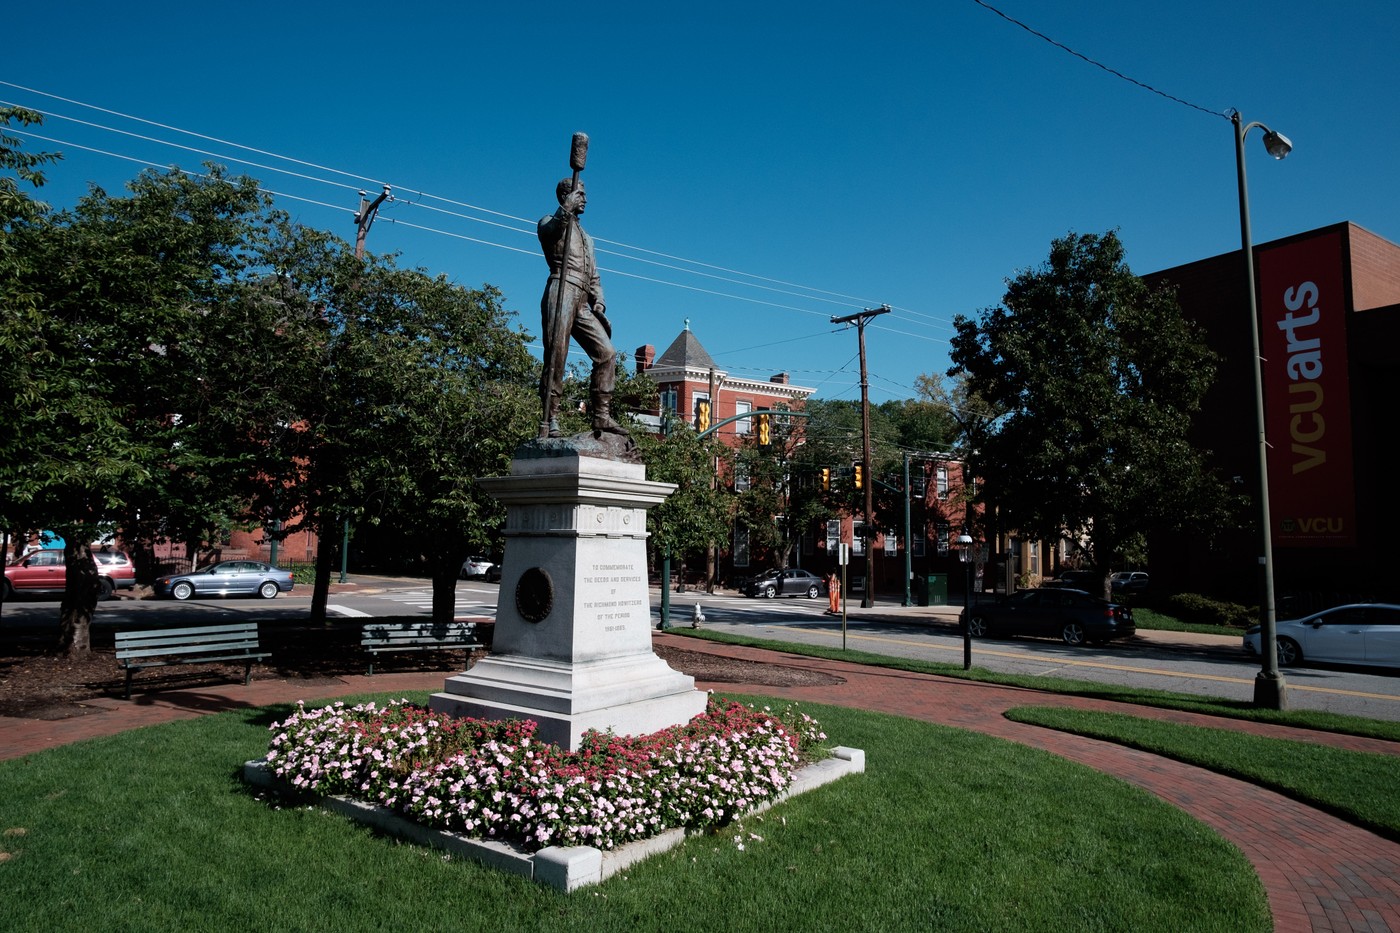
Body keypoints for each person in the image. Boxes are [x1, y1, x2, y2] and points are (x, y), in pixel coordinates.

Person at [537, 178, 624, 438]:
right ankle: (551, 418)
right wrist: (565, 209)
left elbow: (594, 275)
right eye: (580, 194)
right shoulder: (549, 222)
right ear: (567, 195)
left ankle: (601, 417)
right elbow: (549, 232)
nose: (585, 199)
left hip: (583, 299)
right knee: (556, 357)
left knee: (606, 353)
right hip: (561, 290)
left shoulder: (587, 238)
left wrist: (599, 300)